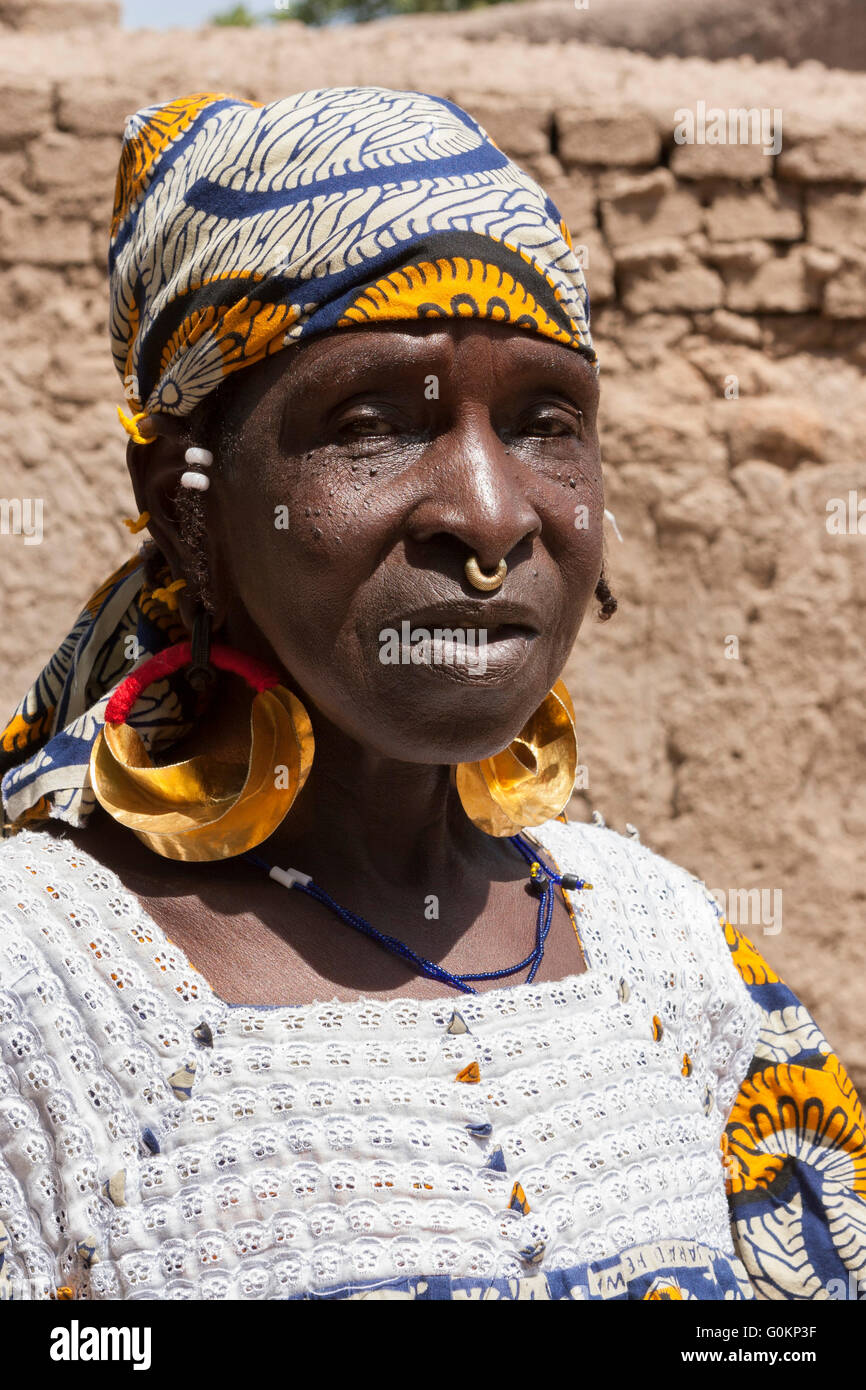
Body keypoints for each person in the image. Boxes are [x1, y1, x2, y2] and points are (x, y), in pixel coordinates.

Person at [0, 86, 862, 1303]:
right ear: (185, 505)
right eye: (370, 422)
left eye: (544, 422)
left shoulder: (673, 963)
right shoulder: (42, 1002)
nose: (492, 514)